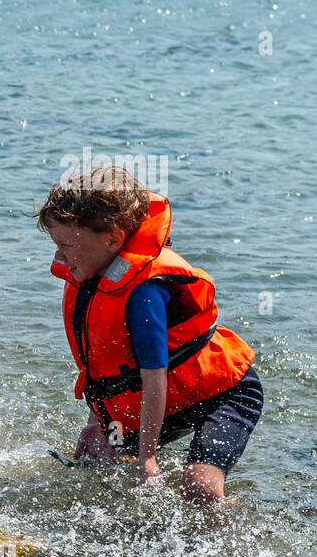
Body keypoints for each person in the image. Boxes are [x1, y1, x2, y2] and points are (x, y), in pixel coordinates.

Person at [37, 165, 262, 504]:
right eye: (57, 244)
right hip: (168, 401)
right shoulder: (94, 283)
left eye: (66, 244)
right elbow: (102, 371)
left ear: (111, 238)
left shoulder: (143, 294)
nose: (59, 256)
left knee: (197, 489)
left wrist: (148, 457)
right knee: (99, 463)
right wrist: (98, 423)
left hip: (222, 393)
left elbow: (153, 376)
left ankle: (232, 531)